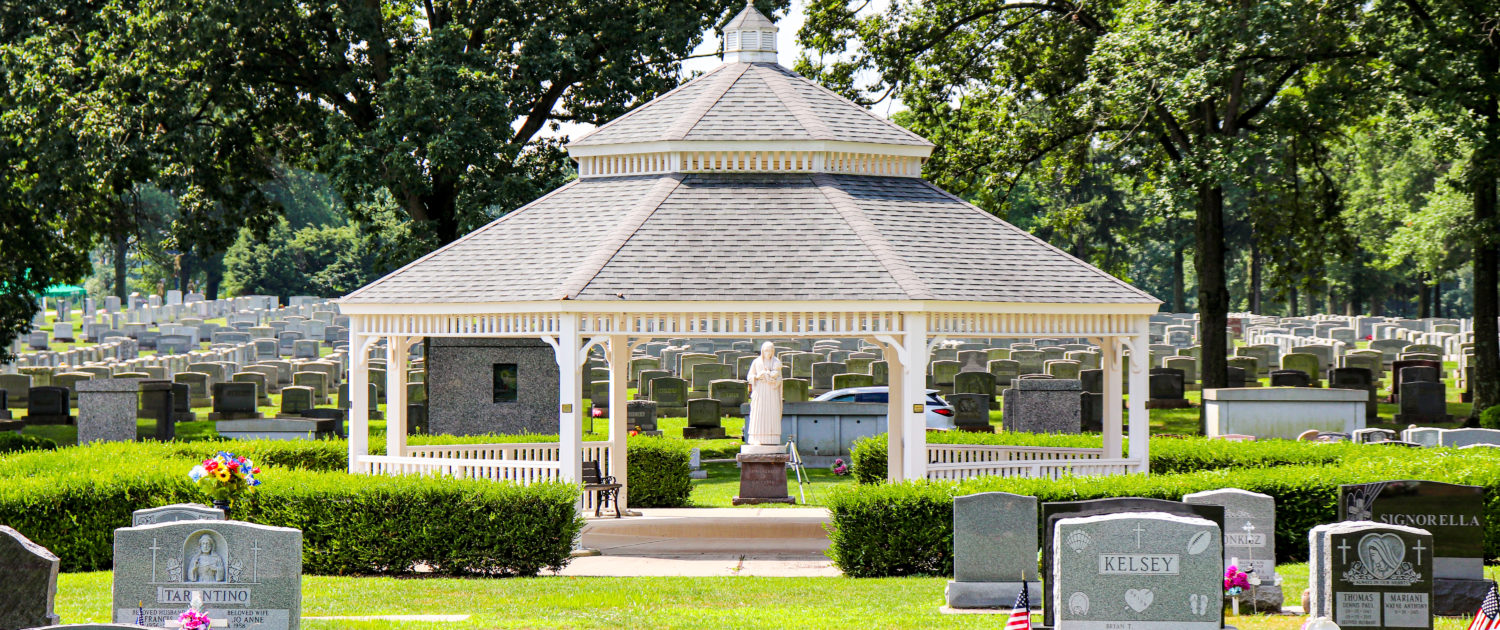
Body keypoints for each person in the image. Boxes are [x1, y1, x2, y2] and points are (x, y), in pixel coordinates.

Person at [745, 342, 784, 448]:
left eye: (771, 350)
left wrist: (773, 380)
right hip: (760, 391)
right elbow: (749, 376)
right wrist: (757, 377)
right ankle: (756, 438)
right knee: (758, 413)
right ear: (762, 351)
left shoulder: (776, 362)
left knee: (772, 413)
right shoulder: (756, 362)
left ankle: (773, 437)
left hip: (772, 392)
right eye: (766, 350)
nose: (769, 353)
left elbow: (780, 378)